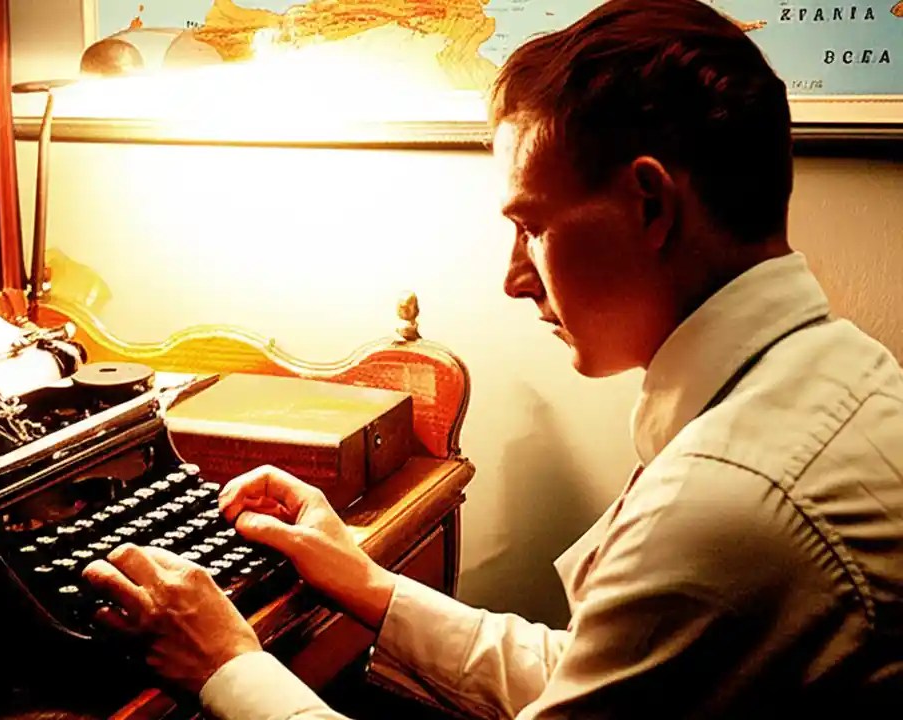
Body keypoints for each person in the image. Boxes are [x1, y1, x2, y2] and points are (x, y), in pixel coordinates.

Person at [81, 0, 903, 716]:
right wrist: (368, 584)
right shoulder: (833, 374)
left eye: (532, 228)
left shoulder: (730, 503)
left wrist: (229, 665)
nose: (513, 279)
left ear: (650, 206)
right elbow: (593, 677)